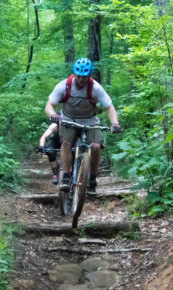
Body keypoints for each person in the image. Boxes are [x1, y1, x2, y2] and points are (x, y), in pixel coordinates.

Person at [44, 57, 121, 195]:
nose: (81, 80)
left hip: (90, 121)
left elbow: (109, 107)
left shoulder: (95, 88)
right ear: (75, 74)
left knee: (96, 146)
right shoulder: (64, 86)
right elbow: (49, 105)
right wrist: (53, 115)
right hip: (69, 119)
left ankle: (92, 178)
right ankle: (66, 177)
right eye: (79, 76)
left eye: (84, 77)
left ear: (89, 75)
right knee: (66, 143)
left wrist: (114, 123)